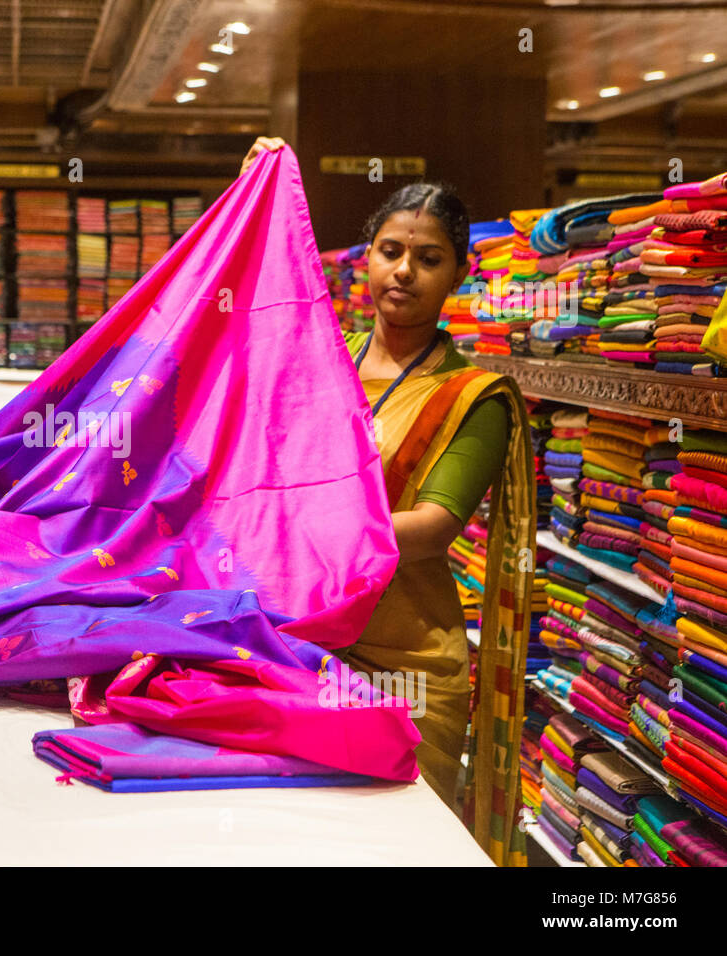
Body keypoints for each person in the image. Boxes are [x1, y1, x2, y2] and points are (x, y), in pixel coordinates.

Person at [242, 139, 533, 832]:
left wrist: (301, 527)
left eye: (429, 258)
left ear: (458, 273)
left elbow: (432, 531)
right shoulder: (323, 368)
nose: (404, 271)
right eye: (390, 251)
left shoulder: (474, 396)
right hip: (297, 641)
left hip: (405, 665)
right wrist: (255, 199)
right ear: (366, 259)